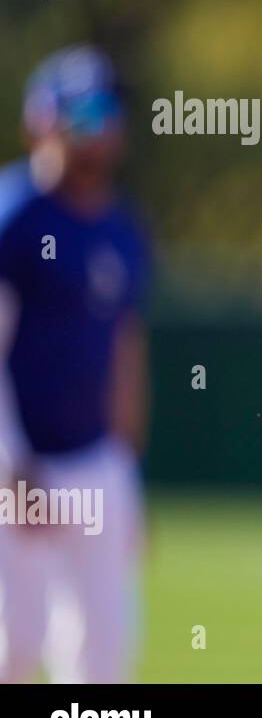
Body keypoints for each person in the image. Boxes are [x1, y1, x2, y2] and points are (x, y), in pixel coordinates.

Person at [0, 45, 150, 683]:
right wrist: (8, 466)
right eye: (84, 110)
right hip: (23, 465)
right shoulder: (14, 215)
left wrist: (126, 472)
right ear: (43, 118)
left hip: (96, 462)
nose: (101, 126)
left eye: (109, 110)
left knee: (103, 651)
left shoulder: (121, 227)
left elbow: (124, 347)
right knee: (16, 643)